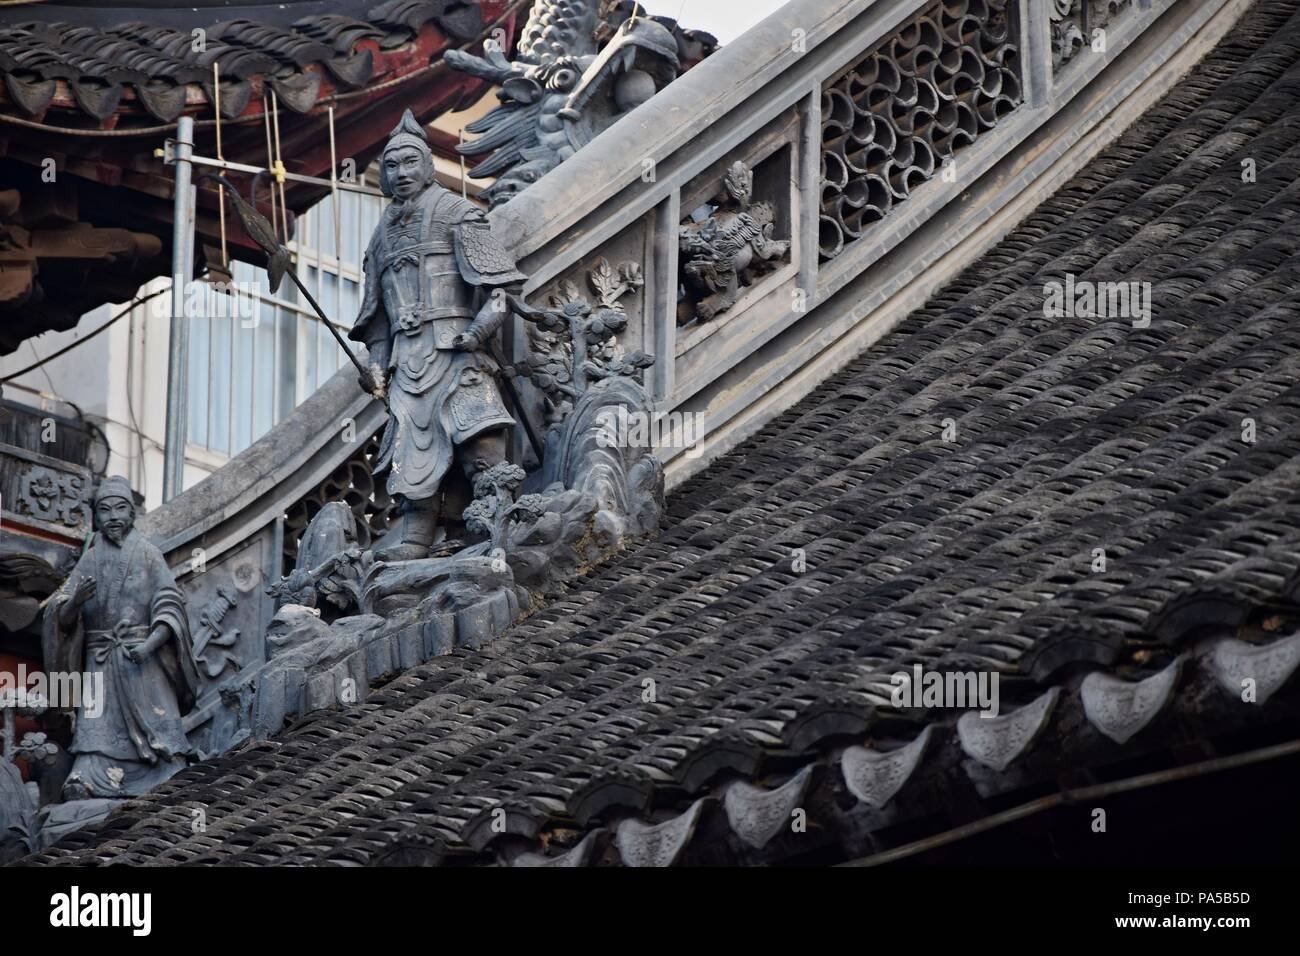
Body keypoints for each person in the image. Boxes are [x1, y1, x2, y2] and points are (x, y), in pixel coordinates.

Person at [349, 109, 528, 560]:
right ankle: (417, 535)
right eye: (392, 166)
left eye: (411, 162)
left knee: (479, 436)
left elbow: (499, 291)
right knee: (410, 449)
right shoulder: (379, 239)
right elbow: (378, 319)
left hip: (456, 349)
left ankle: (498, 519)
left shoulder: (458, 212)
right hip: (406, 361)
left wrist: (478, 329)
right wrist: (374, 366)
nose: (401, 173)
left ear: (428, 167)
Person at [42, 476, 197, 799]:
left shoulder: (148, 554)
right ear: (96, 518)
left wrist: (149, 645)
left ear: (131, 514)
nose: (112, 517)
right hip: (99, 657)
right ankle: (88, 774)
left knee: (160, 726)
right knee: (94, 729)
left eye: (120, 509)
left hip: (141, 657)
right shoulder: (91, 558)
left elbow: (170, 607)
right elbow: (61, 618)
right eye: (105, 511)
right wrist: (75, 601)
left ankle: (165, 768)